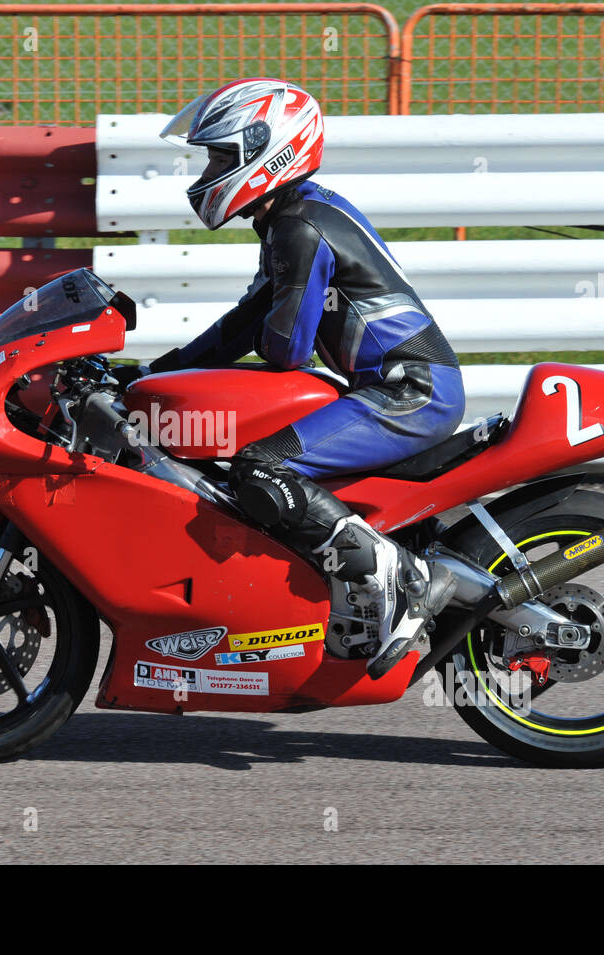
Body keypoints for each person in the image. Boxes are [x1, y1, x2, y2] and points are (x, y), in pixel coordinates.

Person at [140, 78, 466, 679]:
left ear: (265, 151)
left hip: (408, 392)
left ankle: (394, 580)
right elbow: (243, 324)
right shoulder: (296, 213)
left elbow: (284, 348)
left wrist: (209, 372)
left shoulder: (300, 226)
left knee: (262, 467)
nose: (210, 170)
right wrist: (151, 373)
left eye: (220, 156)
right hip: (398, 387)